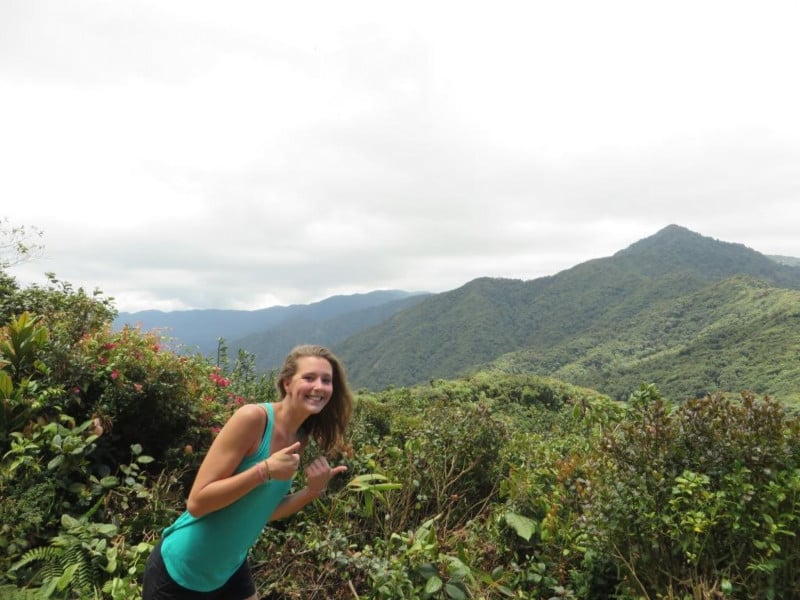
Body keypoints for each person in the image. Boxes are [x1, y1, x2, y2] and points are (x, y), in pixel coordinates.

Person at [142, 344, 353, 599]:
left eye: (326, 380)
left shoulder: (300, 437)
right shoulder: (254, 419)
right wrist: (263, 470)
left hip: (228, 567)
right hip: (183, 569)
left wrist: (312, 491)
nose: (319, 386)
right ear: (287, 383)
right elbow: (197, 503)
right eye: (309, 378)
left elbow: (263, 510)